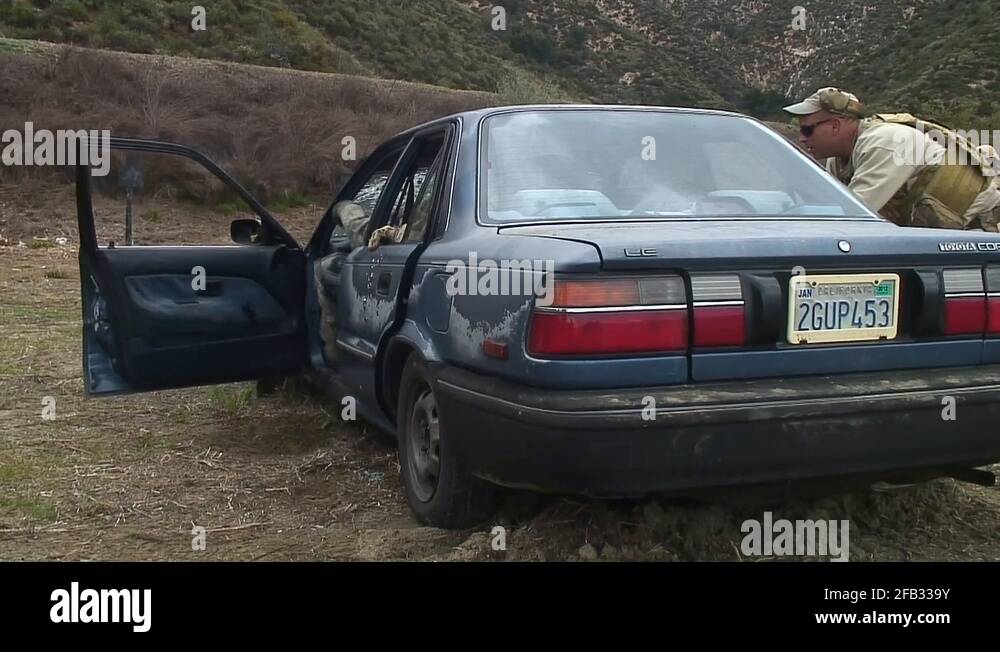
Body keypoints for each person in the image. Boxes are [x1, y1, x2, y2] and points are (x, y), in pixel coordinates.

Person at [783, 87, 1000, 231]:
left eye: (807, 130)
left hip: (978, 230)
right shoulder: (838, 160)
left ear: (834, 125)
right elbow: (830, 209)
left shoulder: (883, 142)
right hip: (941, 234)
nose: (802, 138)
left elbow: (852, 218)